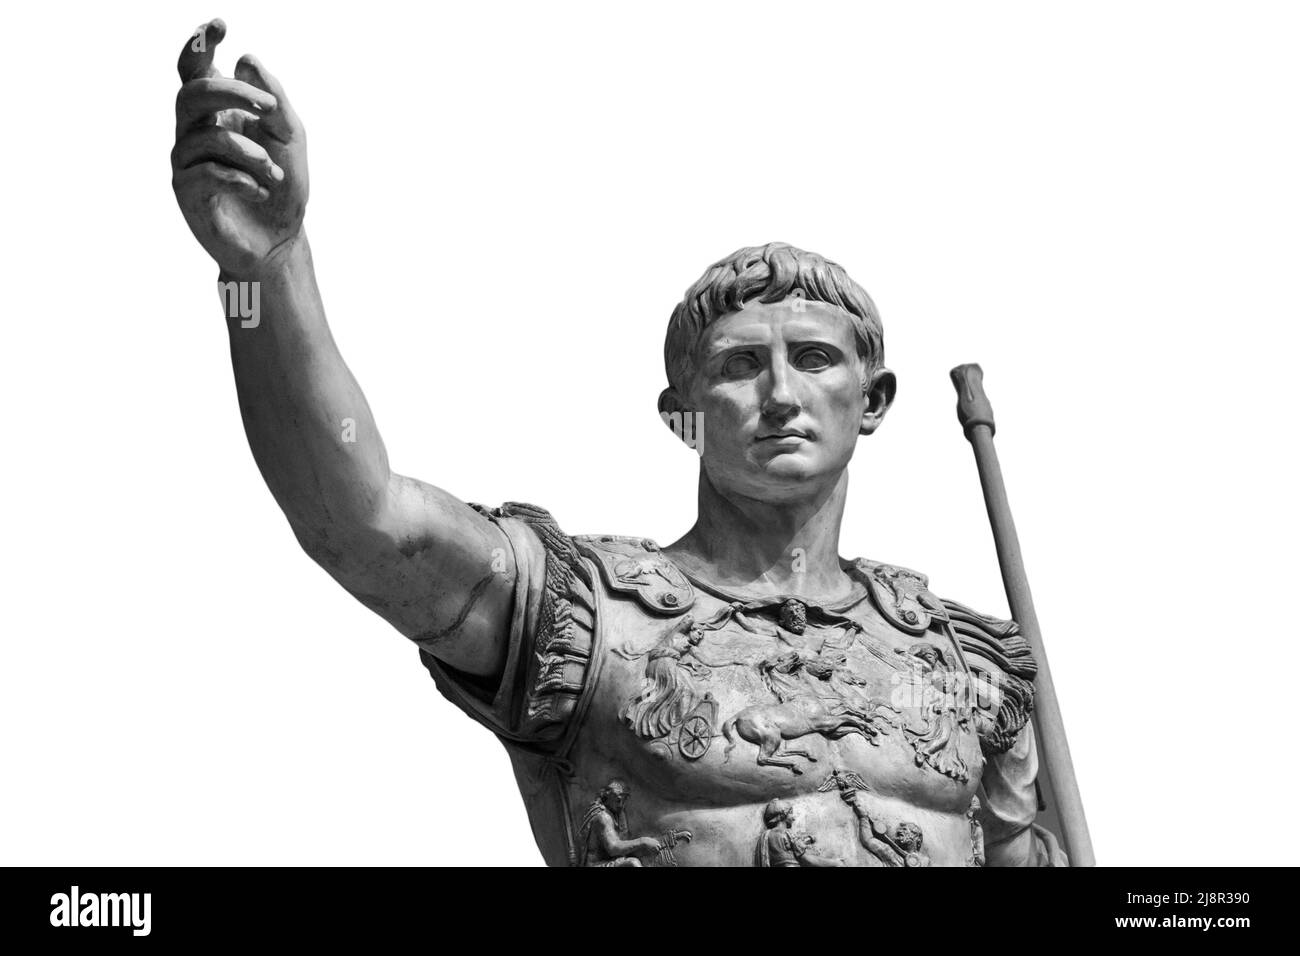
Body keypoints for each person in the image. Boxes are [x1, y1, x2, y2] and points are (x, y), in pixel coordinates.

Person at [172, 20, 1061, 867]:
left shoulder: (969, 663)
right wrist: (266, 273)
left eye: (815, 359)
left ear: (874, 401)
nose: (781, 395)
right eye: (740, 366)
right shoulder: (587, 616)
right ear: (682, 413)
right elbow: (361, 521)